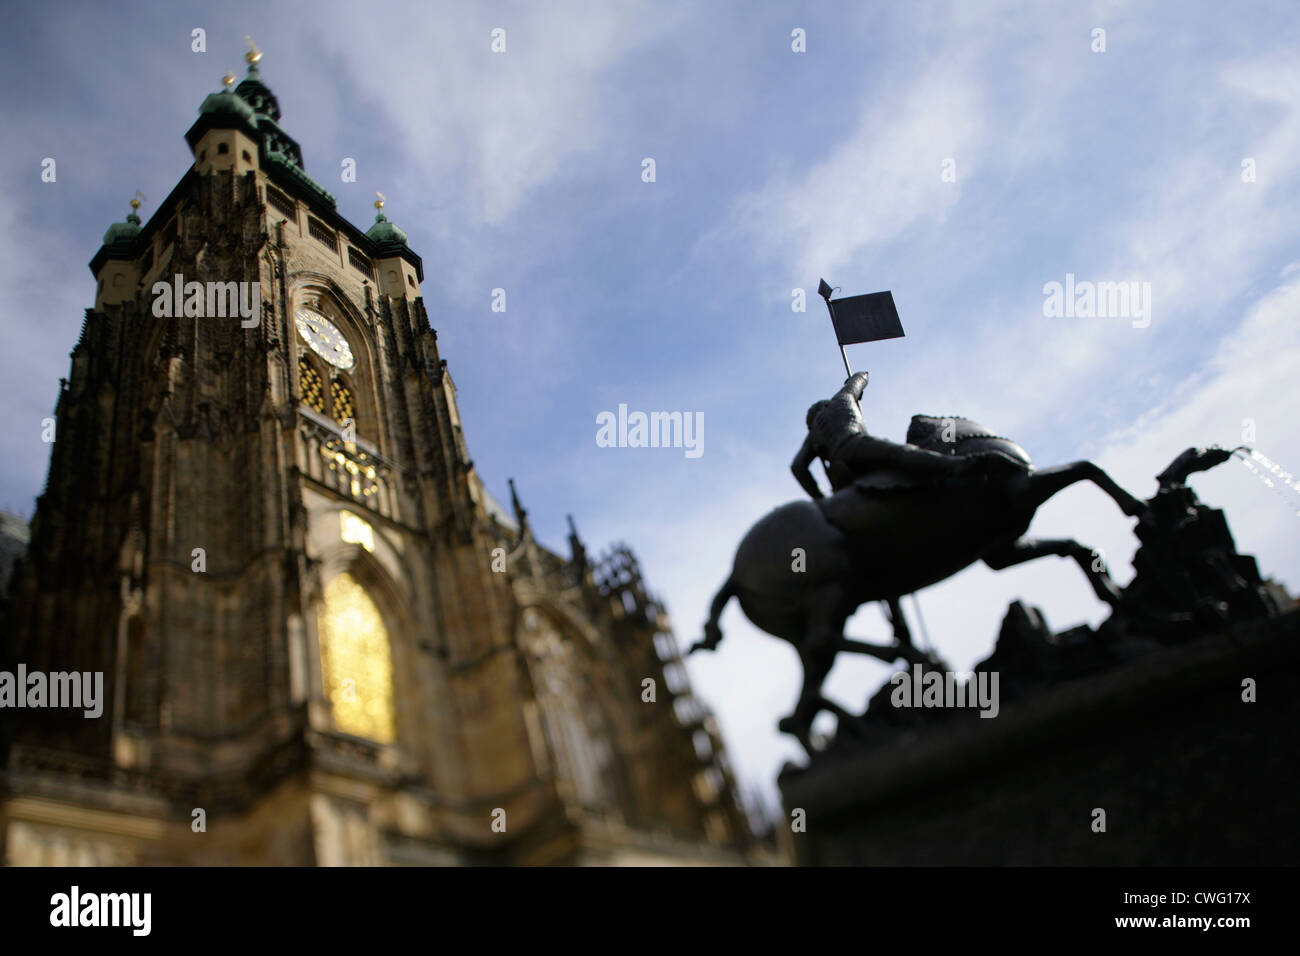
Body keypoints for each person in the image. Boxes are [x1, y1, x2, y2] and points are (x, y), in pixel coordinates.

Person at [790, 371, 1019, 500]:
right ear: (825, 405)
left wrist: (820, 498)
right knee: (903, 455)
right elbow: (855, 383)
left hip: (845, 474)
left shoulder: (813, 436)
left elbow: (798, 468)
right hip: (856, 446)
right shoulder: (839, 402)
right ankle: (959, 465)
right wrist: (861, 377)